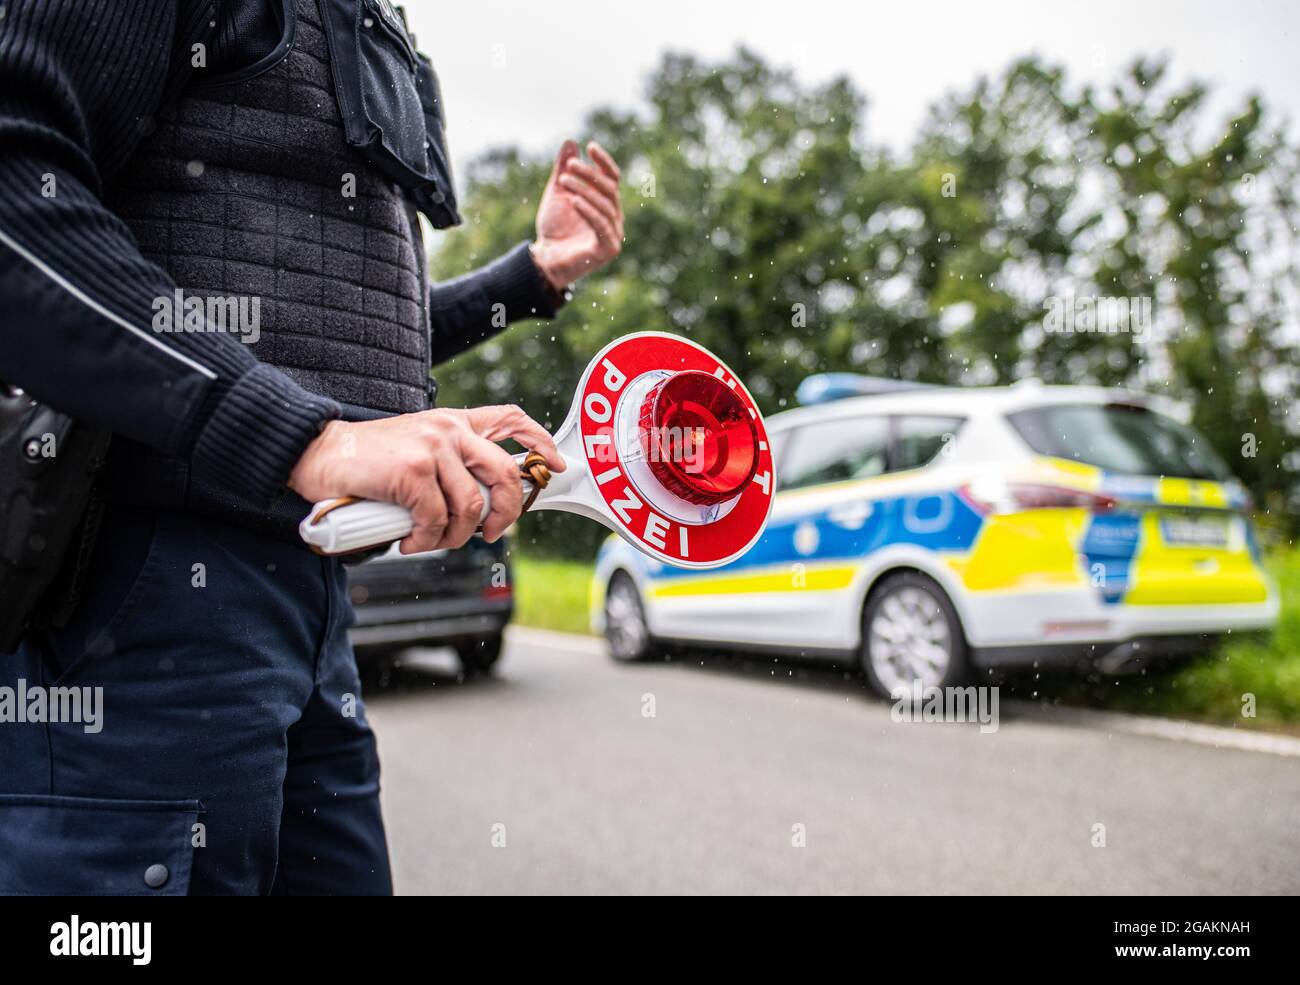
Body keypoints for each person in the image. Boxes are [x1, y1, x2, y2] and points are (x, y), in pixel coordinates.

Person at [0, 0, 625, 895]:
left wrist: (533, 276)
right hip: (137, 598)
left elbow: (326, 336)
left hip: (309, 601)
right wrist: (309, 439)